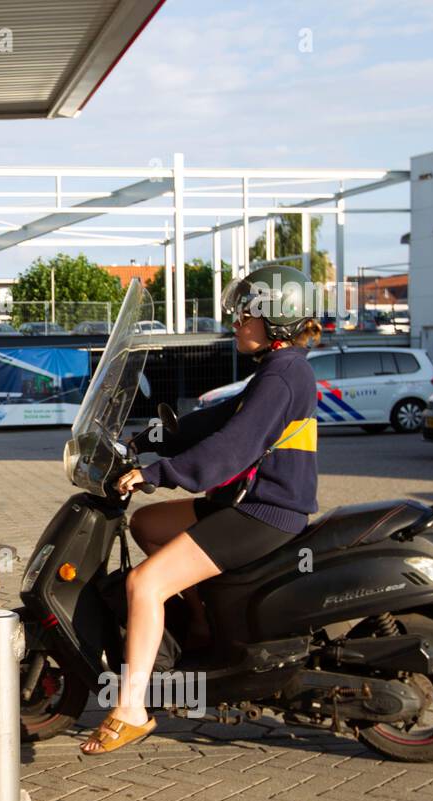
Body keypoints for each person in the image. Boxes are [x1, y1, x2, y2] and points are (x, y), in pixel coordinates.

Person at [80, 265, 323, 754]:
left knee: (143, 583)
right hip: (251, 503)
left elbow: (231, 449)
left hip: (264, 513)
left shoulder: (283, 375)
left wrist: (158, 472)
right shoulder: (279, 369)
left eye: (245, 314)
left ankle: (130, 710)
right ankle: (202, 620)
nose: (236, 321)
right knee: (148, 524)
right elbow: (217, 419)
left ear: (275, 320)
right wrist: (148, 437)